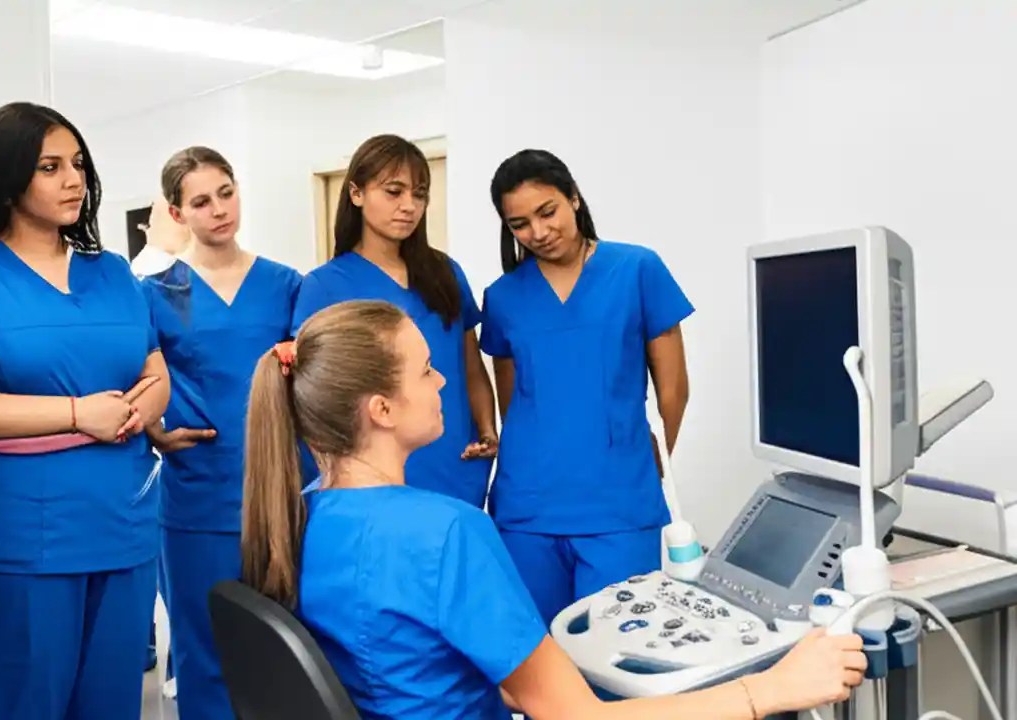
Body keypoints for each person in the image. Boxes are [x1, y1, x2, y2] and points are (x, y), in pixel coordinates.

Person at [241, 299, 867, 719]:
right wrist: (771, 689)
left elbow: (460, 673)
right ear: (381, 410)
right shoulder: (446, 532)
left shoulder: (299, 515)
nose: (443, 383)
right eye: (427, 371)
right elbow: (578, 717)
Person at [0, 102, 169, 720]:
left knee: (115, 706)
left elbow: (154, 371)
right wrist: (78, 413)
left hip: (123, 524)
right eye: (50, 167)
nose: (74, 180)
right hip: (19, 537)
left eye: (78, 164)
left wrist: (145, 404)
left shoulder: (113, 272)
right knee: (31, 704)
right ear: (7, 178)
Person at [477, 149, 695, 626]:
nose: (538, 232)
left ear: (573, 198)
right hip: (527, 509)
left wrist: (657, 455)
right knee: (539, 652)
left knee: (618, 646)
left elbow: (674, 390)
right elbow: (512, 403)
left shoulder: (637, 270)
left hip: (618, 506)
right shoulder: (503, 297)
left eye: (547, 211)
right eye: (519, 224)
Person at [141, 146, 302, 720]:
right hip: (197, 494)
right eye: (201, 202)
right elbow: (135, 375)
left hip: (279, 489)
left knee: (285, 648)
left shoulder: (286, 285)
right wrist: (154, 430)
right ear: (177, 214)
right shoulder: (157, 293)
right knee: (204, 645)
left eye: (226, 193)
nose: (219, 210)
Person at [292, 134, 496, 507]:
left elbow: (469, 364)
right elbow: (314, 394)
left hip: (456, 462)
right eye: (393, 192)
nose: (409, 206)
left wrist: (486, 429)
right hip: (374, 471)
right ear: (356, 193)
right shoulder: (324, 286)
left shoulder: (445, 273)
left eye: (419, 194)